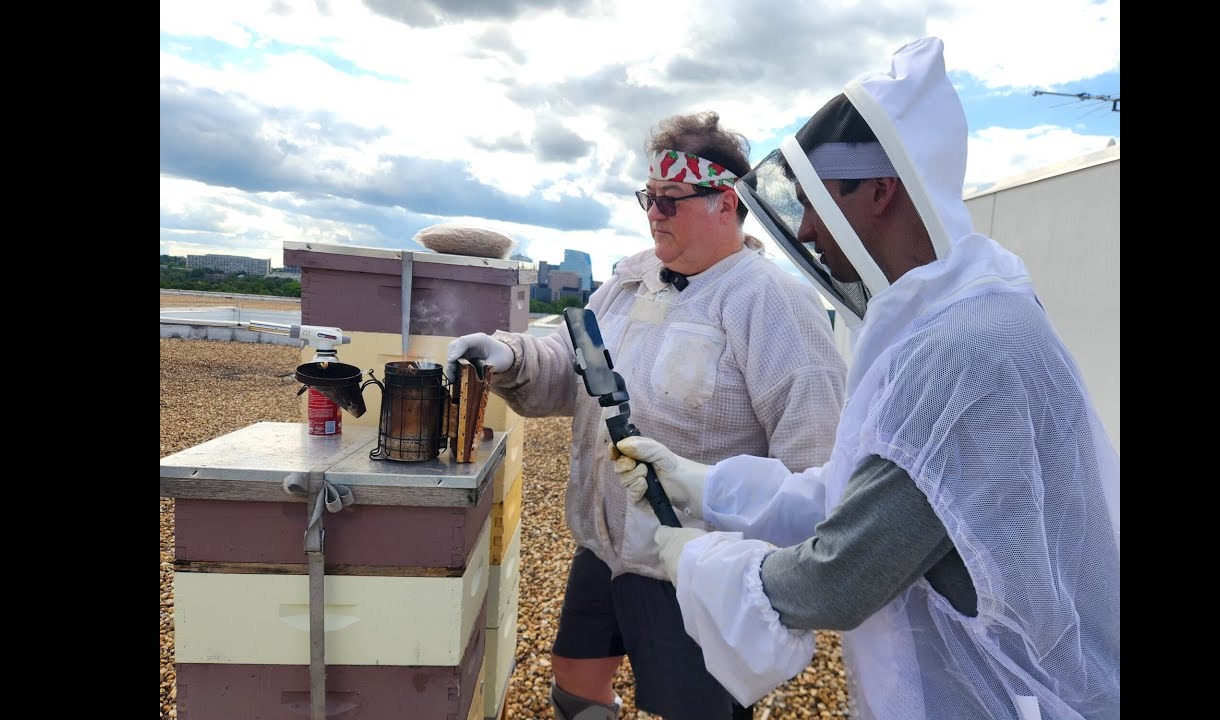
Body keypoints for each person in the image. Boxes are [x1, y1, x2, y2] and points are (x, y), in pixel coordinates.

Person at [612, 37, 1120, 720]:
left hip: (1003, 697)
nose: (810, 229)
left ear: (880, 191)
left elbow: (842, 575)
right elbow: (858, 486)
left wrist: (693, 560)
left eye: (819, 200)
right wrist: (703, 481)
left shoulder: (969, 348)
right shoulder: (947, 318)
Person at [445, 111, 847, 720]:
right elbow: (573, 362)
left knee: (696, 710)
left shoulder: (773, 303)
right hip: (607, 542)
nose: (654, 215)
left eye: (671, 201)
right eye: (649, 199)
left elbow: (814, 455)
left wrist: (777, 578)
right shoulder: (632, 282)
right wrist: (508, 355)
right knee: (575, 684)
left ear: (726, 203)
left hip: (696, 560)